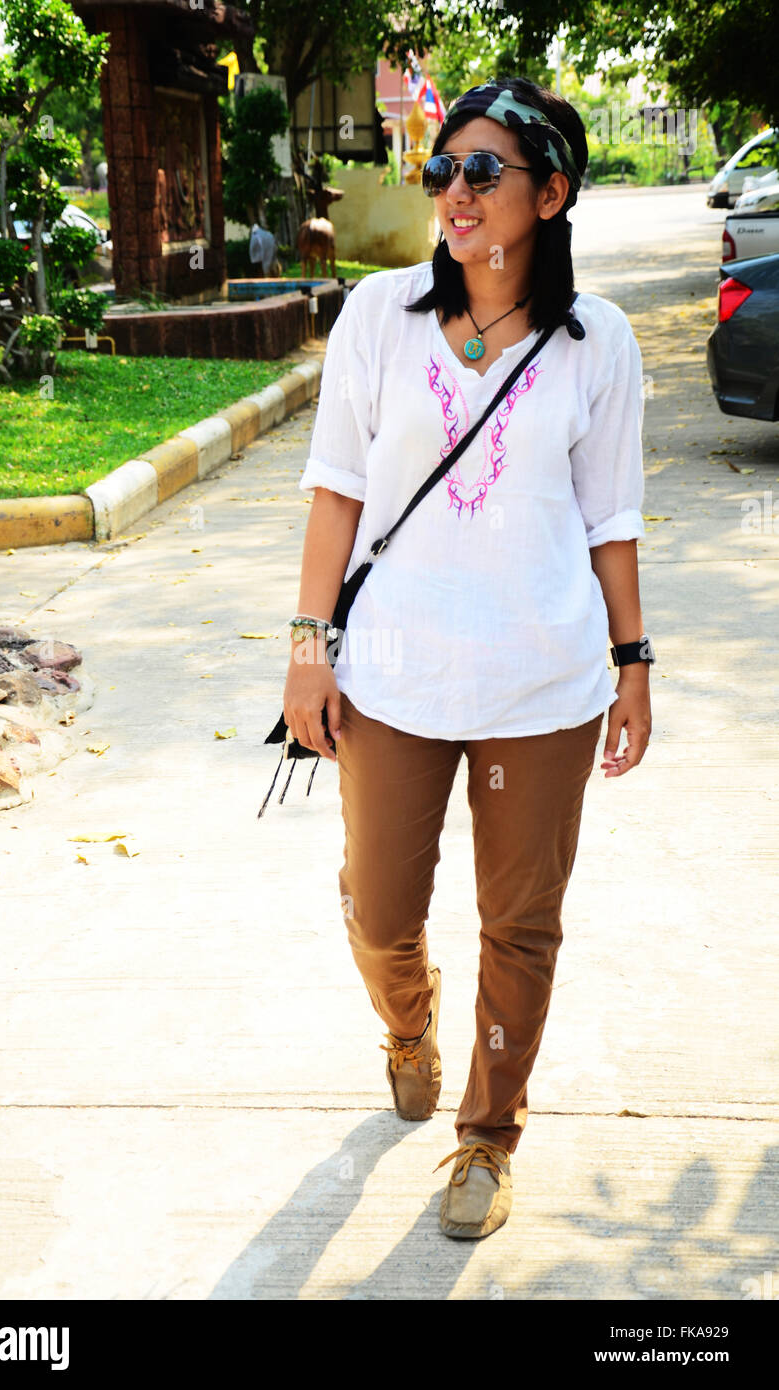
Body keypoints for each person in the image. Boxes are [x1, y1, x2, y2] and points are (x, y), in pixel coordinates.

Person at [281, 77, 653, 1241]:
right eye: (443, 170)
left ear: (551, 193)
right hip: (391, 673)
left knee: (521, 921)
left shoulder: (598, 345)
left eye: (482, 172)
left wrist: (632, 660)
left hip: (541, 683)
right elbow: (335, 490)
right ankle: (409, 1023)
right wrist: (308, 647)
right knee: (382, 908)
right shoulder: (378, 320)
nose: (455, 192)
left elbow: (609, 518)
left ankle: (487, 1139)